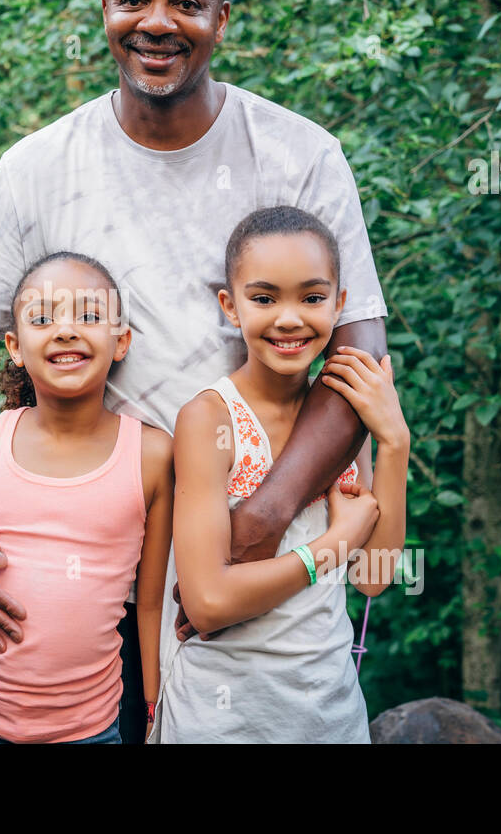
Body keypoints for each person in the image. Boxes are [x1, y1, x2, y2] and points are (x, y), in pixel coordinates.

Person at [0, 0, 390, 744]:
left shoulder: (301, 155)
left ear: (222, 19)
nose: (158, 22)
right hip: (91, 561)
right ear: (105, 10)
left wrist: (267, 513)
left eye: (186, 2)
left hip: (253, 562)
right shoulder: (37, 168)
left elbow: (359, 355)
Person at [152, 207, 409, 742]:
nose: (289, 319)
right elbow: (208, 601)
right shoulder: (210, 419)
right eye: (264, 298)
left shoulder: (345, 416)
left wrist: (394, 441)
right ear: (230, 306)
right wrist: (333, 544)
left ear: (339, 305)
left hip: (326, 710)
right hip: (220, 716)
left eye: (312, 298)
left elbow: (374, 577)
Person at [0, 252, 174, 743]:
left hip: (85, 728)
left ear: (121, 341)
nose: (66, 330)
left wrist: (154, 704)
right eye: (43, 317)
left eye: (89, 316)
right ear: (15, 347)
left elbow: (149, 602)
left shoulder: (151, 454)